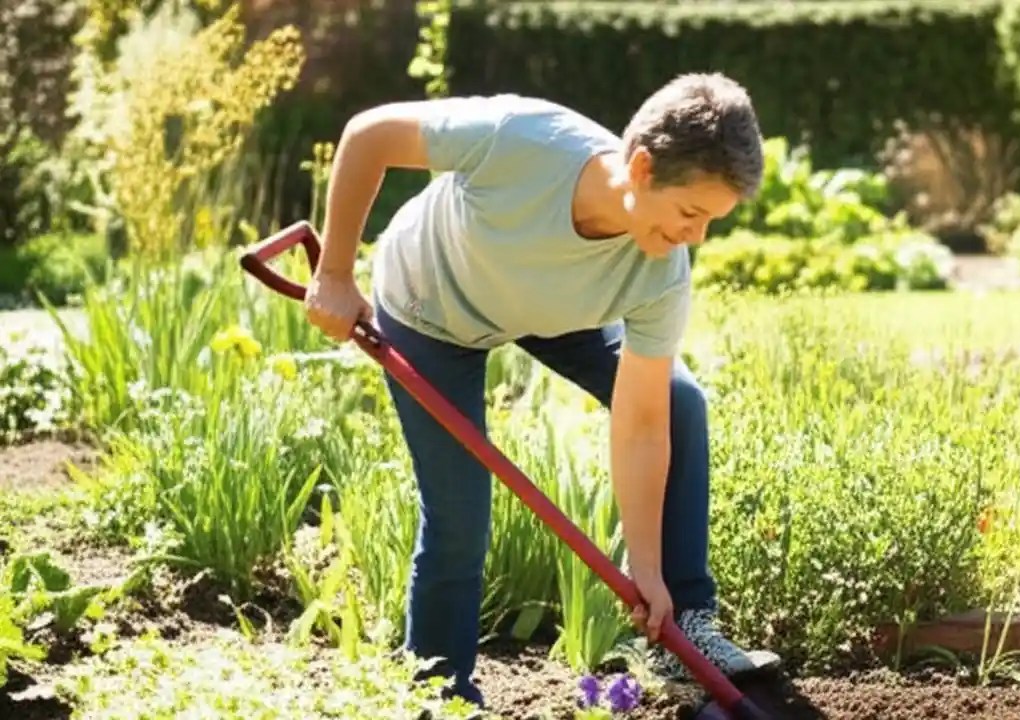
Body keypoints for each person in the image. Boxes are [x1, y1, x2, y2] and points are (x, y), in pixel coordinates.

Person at [303, 72, 781, 705]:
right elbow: (369, 135)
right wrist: (335, 273)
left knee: (678, 400)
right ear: (640, 168)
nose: (695, 237)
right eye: (691, 213)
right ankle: (438, 694)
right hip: (432, 309)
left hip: (552, 313)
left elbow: (641, 423)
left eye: (710, 222)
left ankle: (686, 628)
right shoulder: (518, 139)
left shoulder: (661, 268)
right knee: (460, 516)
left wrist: (646, 569)